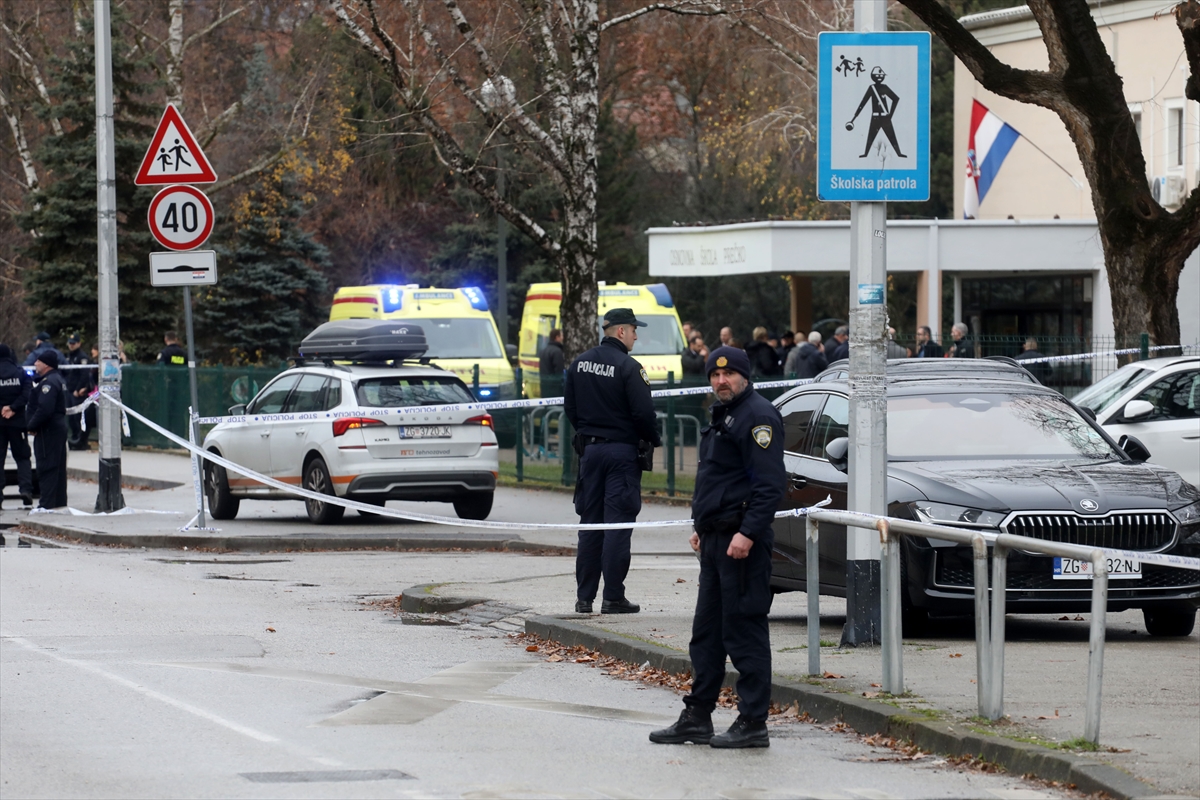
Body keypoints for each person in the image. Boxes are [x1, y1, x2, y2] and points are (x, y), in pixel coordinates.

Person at [649, 346, 785, 749]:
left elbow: (769, 486)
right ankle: (697, 716)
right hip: (715, 540)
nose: (720, 381)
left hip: (741, 543)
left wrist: (747, 533)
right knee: (706, 635)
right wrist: (700, 526)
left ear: (744, 376)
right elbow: (716, 479)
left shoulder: (758, 416)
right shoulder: (723, 415)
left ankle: (753, 721)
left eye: (728, 375)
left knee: (744, 631)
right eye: (714, 376)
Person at [564, 308, 662, 615]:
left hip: (590, 454)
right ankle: (613, 597)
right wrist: (651, 439)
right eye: (634, 330)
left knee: (590, 525)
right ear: (620, 331)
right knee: (617, 526)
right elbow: (644, 414)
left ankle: (584, 599)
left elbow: (571, 408)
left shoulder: (579, 364)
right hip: (621, 454)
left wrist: (589, 431)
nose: (636, 335)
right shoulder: (629, 367)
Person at [27, 349, 69, 509]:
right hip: (55, 429)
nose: (35, 363)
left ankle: (47, 505)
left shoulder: (49, 383)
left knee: (48, 467)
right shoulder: (56, 379)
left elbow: (45, 408)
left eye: (38, 361)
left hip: (48, 432)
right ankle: (58, 504)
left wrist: (31, 425)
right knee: (57, 469)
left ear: (46, 364)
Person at [0, 344, 34, 509]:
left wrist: (3, 409)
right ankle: (26, 490)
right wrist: (13, 408)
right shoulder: (21, 373)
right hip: (17, 423)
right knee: (22, 457)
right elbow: (27, 394)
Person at [64, 335, 94, 450]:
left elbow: (84, 374)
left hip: (78, 392)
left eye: (74, 343)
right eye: (70, 343)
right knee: (71, 418)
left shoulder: (82, 357)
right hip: (70, 390)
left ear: (79, 344)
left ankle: (82, 440)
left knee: (79, 417)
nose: (71, 345)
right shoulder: (68, 357)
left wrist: (79, 388)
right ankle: (75, 438)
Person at [539, 328, 565, 395]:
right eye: (561, 336)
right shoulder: (557, 352)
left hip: (544, 387)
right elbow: (559, 371)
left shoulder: (544, 350)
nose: (563, 338)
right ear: (557, 337)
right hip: (555, 389)